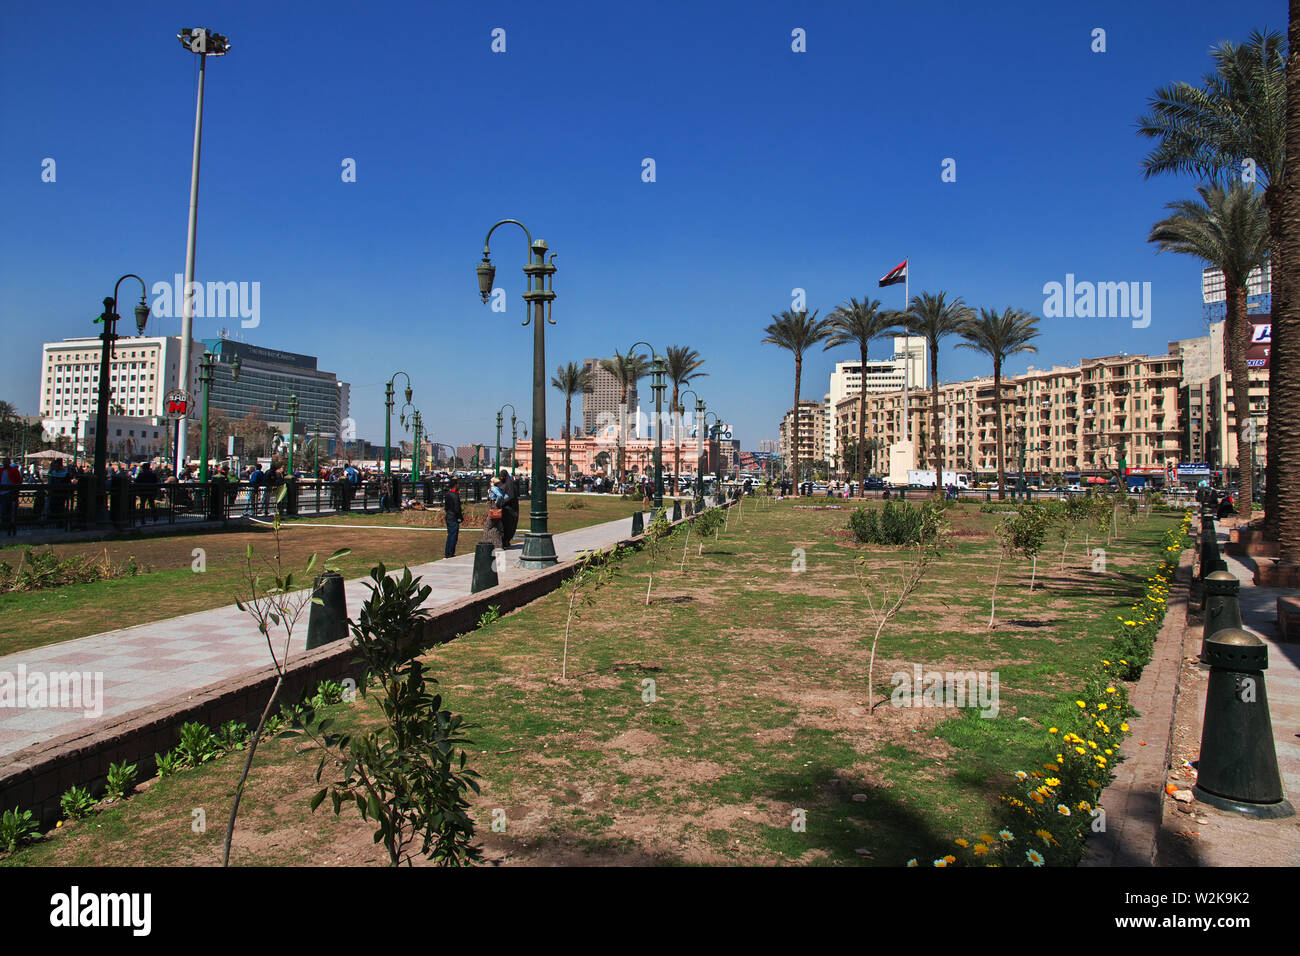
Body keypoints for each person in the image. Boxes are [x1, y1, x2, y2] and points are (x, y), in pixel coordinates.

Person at [482, 476, 507, 549]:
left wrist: (496, 503)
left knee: (488, 526)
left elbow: (500, 496)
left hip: (494, 507)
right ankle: (498, 544)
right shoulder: (495, 488)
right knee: (498, 526)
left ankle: (486, 542)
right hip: (493, 506)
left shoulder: (493, 488)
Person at [444, 477, 464, 558]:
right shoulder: (455, 496)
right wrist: (460, 517)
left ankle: (447, 552)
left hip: (448, 515)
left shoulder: (448, 494)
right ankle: (450, 553)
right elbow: (457, 508)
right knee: (453, 536)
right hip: (453, 517)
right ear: (455, 485)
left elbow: (446, 507)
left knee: (450, 535)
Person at [499, 468, 519, 546]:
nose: (501, 478)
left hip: (510, 510)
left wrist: (503, 502)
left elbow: (511, 496)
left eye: (502, 476)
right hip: (504, 509)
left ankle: (506, 540)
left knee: (509, 526)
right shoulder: (502, 483)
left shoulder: (510, 484)